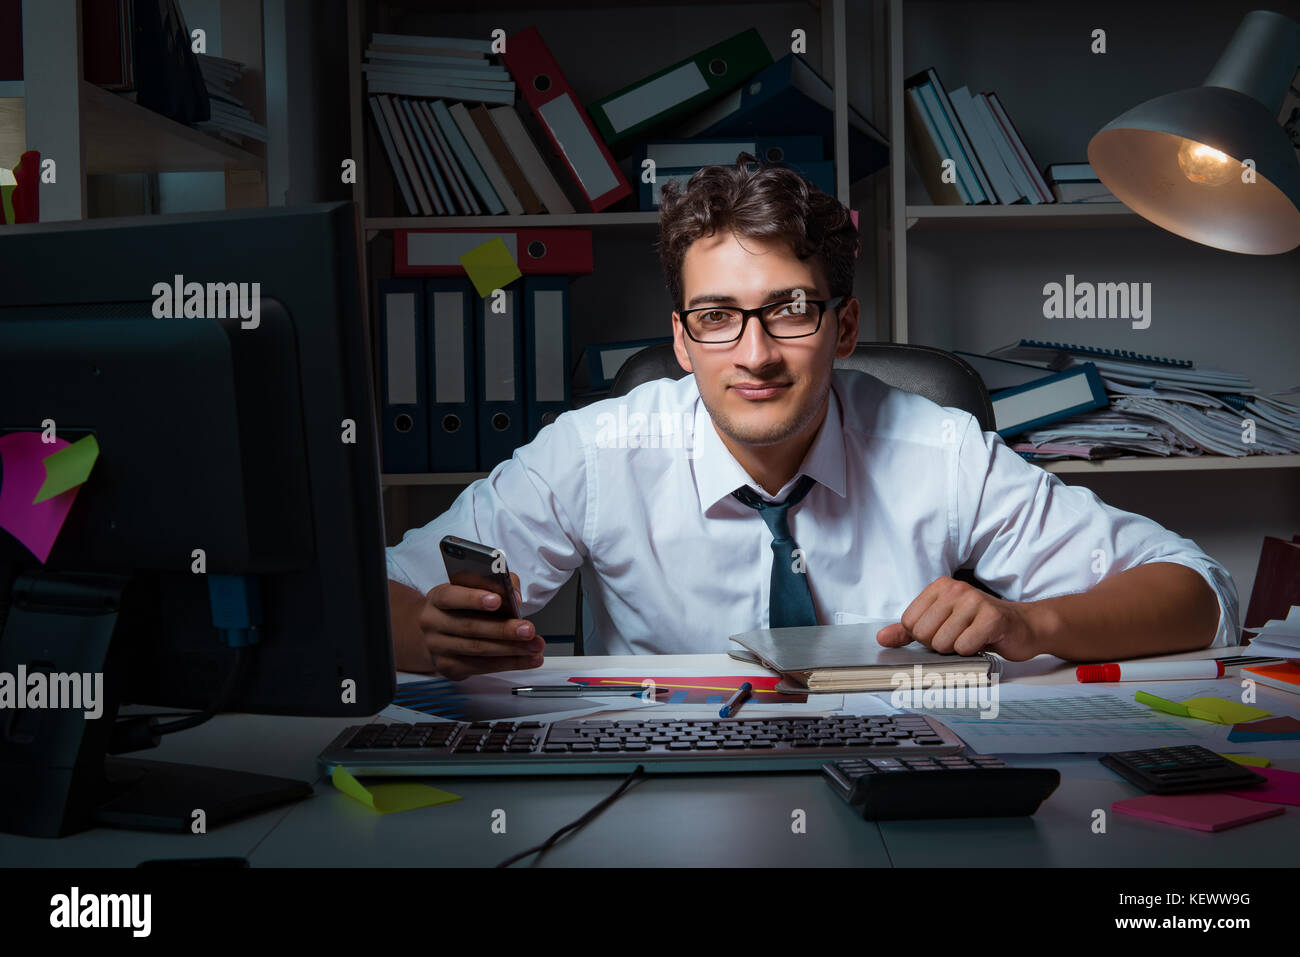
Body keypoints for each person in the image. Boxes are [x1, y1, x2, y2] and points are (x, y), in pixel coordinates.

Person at [385, 154, 1237, 680]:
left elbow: (1197, 591)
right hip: (661, 786)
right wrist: (432, 636)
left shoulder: (938, 450)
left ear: (846, 327)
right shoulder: (597, 450)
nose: (754, 355)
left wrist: (1030, 622)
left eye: (790, 309)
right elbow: (378, 598)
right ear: (682, 341)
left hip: (897, 772)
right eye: (717, 317)